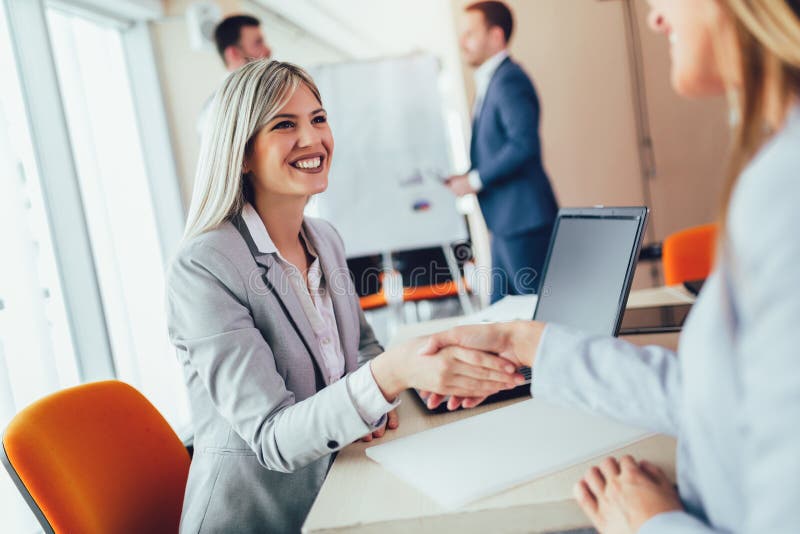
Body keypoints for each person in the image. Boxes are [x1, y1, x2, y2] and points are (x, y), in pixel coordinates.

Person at [424, 0, 800, 532]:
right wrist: (522, 343)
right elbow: (721, 399)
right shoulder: (773, 173)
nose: (656, 18)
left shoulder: (784, 193)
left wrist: (652, 522)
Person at [167, 60, 525, 533]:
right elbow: (273, 439)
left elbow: (362, 350)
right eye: (284, 124)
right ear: (243, 152)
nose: (312, 139)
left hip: (343, 482)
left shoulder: (325, 239)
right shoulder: (204, 266)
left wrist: (401, 385)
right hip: (269, 517)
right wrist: (389, 376)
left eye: (318, 118)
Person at [446, 1, 558, 303]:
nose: (462, 42)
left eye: (470, 33)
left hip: (524, 221)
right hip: (507, 222)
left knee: (537, 314)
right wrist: (468, 176)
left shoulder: (509, 80)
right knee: (502, 313)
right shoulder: (493, 80)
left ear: (496, 37)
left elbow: (523, 145)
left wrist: (476, 180)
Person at [196, 14, 272, 137]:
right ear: (233, 53)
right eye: (258, 43)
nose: (268, 50)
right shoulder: (215, 110)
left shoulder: (264, 91)